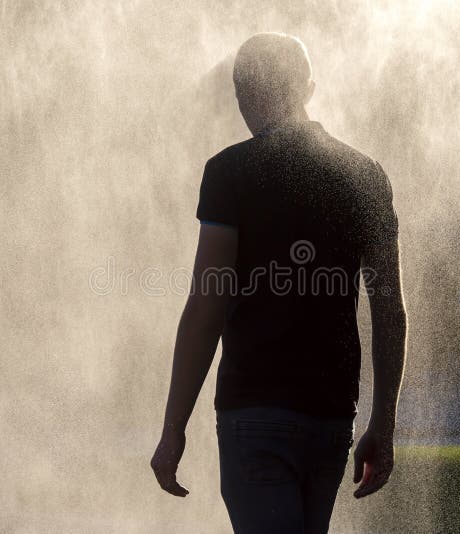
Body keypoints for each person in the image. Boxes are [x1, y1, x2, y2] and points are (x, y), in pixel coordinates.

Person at [151, 32, 407, 534]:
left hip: (254, 412)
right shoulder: (365, 175)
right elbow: (389, 310)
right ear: (309, 88)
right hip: (332, 416)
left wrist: (173, 428)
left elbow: (206, 308)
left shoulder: (229, 173)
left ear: (242, 94)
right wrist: (383, 423)